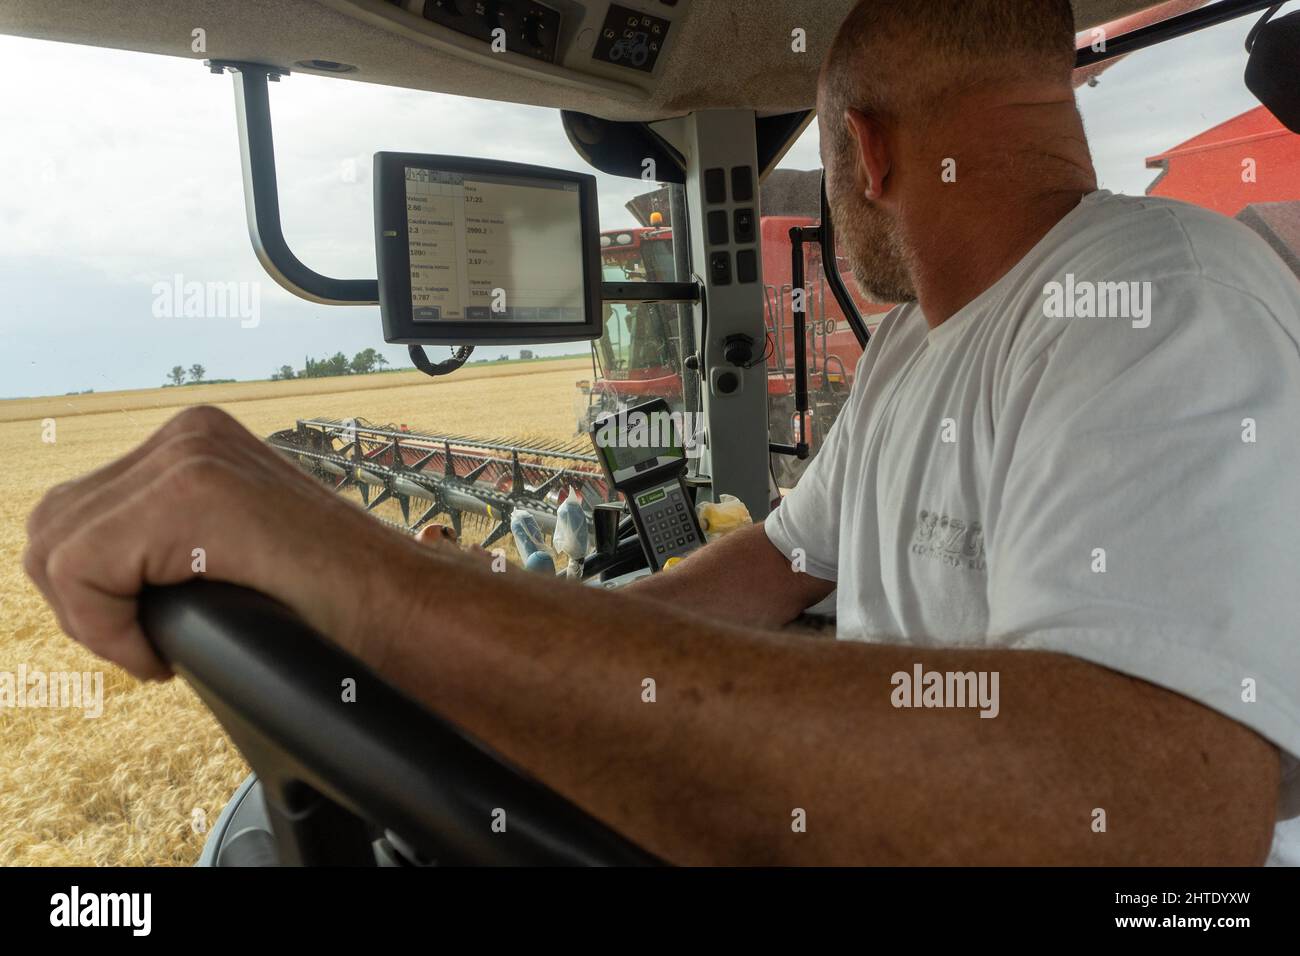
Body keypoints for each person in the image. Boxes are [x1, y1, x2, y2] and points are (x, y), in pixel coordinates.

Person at [24, 0, 1300, 865]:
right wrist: (489, 630)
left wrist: (384, 586)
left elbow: (1145, 815)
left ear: (863, 148)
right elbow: (762, 570)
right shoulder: (923, 340)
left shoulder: (1155, 303)